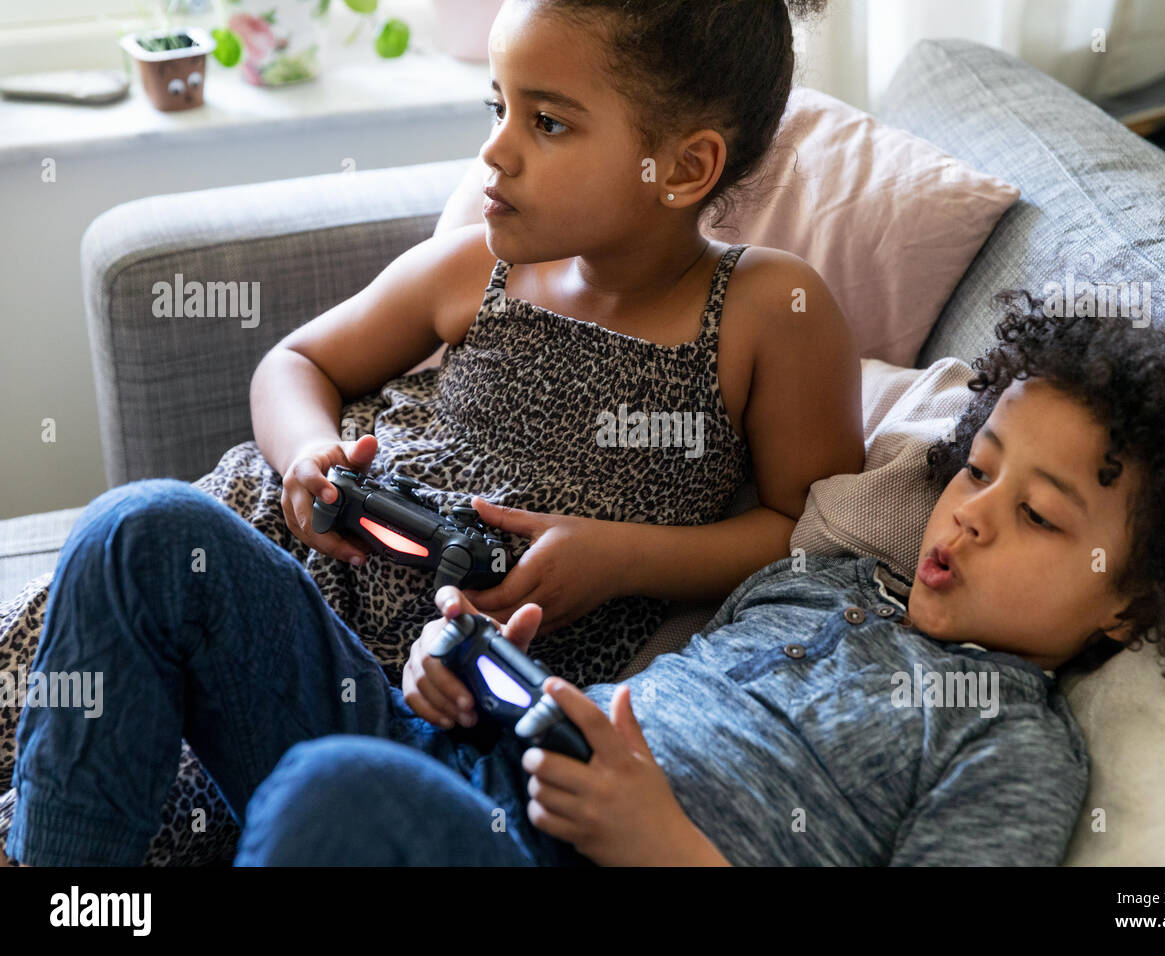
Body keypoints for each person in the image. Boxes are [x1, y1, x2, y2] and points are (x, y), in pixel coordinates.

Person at [0, 0, 859, 862]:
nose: (495, 150)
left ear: (683, 167)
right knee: (135, 528)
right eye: (499, 108)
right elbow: (296, 363)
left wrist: (620, 556)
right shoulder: (480, 267)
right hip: (286, 601)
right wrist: (305, 454)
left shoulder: (769, 313)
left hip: (425, 719)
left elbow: (809, 540)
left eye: (548, 121)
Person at [8, 297, 1165, 865]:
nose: (968, 518)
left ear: (1130, 606)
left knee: (334, 797)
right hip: (476, 770)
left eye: (1037, 514)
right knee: (146, 529)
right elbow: (641, 713)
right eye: (979, 471)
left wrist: (659, 841)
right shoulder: (826, 585)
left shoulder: (1019, 750)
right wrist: (481, 683)